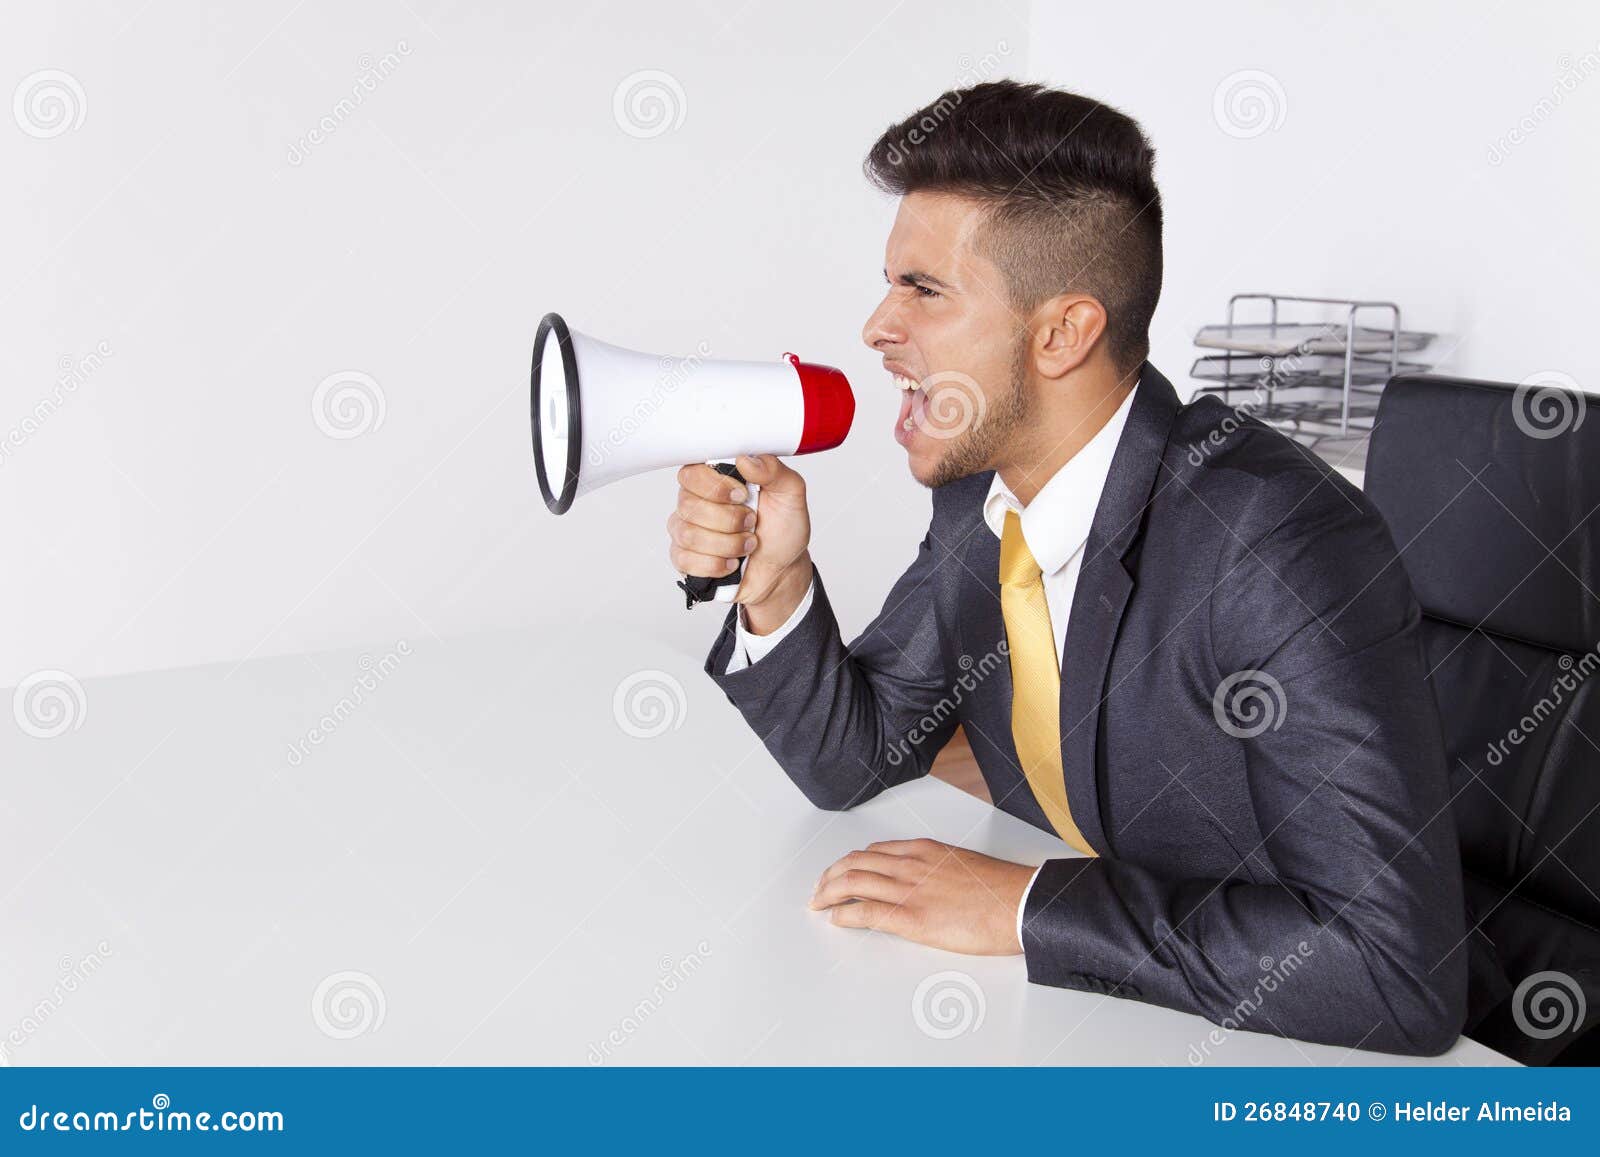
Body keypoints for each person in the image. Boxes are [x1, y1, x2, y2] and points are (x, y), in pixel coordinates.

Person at [666, 81, 1466, 1055]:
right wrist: (778, 582)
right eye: (890, 282)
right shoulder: (978, 496)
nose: (876, 326)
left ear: (1061, 332)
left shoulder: (1276, 540)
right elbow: (856, 755)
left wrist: (1027, 904)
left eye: (921, 288)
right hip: (1067, 1031)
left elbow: (1389, 972)